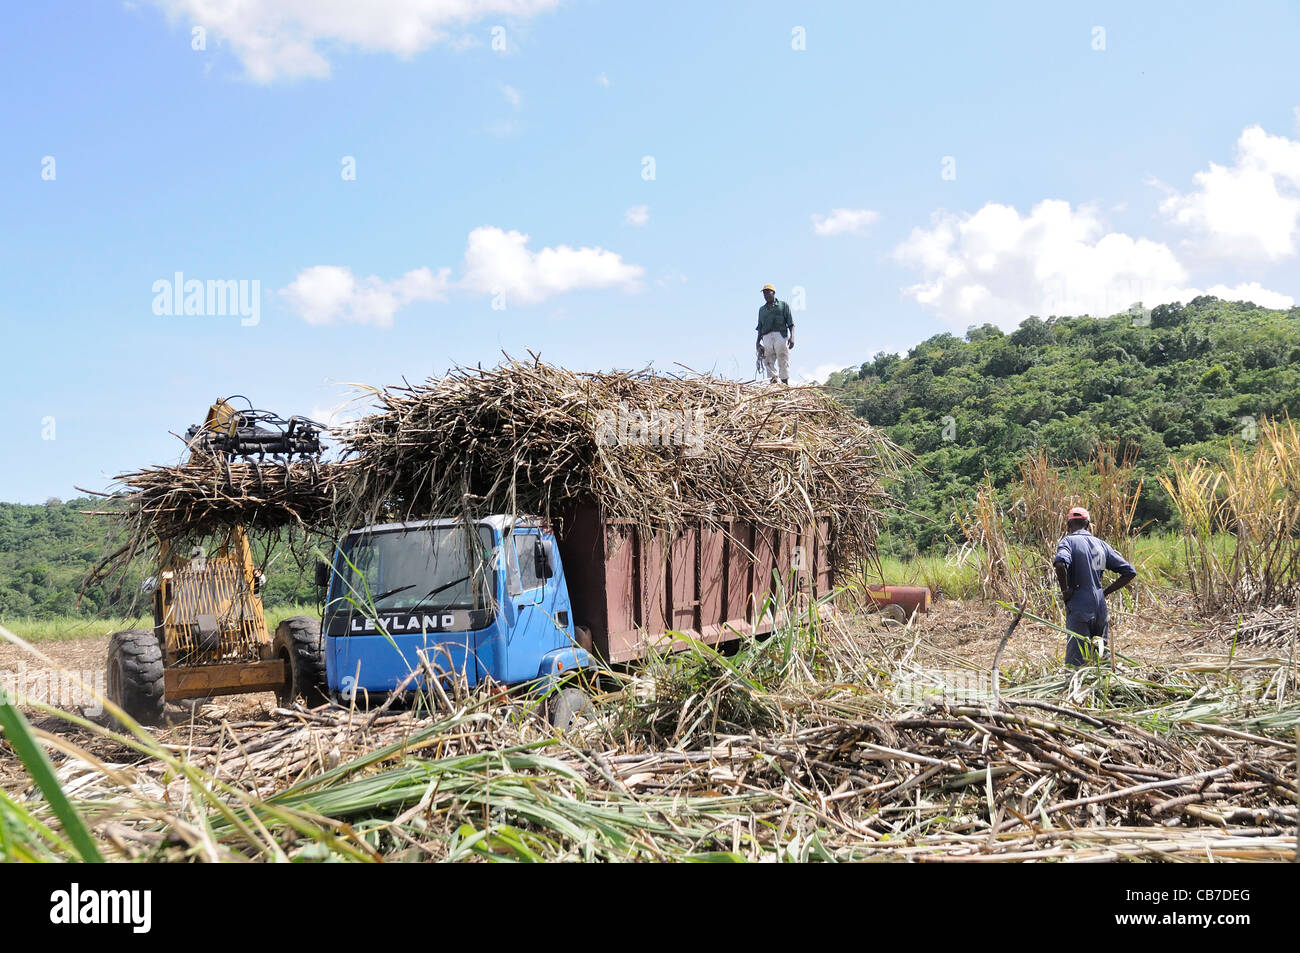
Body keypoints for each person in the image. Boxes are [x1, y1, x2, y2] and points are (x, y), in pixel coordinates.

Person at [1053, 506, 1136, 667]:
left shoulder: (1068, 541)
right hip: (1100, 607)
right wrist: (1104, 592)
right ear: (1088, 524)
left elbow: (1060, 564)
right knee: (1102, 658)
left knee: (1076, 663)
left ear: (1068, 524)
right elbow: (1129, 572)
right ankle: (1106, 688)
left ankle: (1074, 688)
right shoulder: (1101, 544)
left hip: (1079, 606)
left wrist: (1065, 591)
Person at [756, 283, 794, 384]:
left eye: (767, 292)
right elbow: (760, 327)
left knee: (783, 358)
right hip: (766, 336)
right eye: (764, 293)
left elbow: (790, 323)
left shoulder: (783, 305)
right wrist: (757, 342)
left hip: (780, 335)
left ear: (773, 293)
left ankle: (785, 383)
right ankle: (773, 385)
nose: (765, 295)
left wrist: (792, 337)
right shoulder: (762, 310)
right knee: (768, 361)